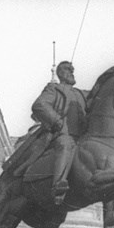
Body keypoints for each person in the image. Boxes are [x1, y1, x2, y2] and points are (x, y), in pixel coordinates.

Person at [31, 60, 87, 204]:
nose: (72, 72)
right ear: (60, 73)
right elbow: (40, 105)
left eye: (72, 70)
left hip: (82, 136)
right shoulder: (54, 89)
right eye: (68, 70)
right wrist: (57, 120)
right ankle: (58, 185)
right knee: (65, 144)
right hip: (61, 134)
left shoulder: (81, 94)